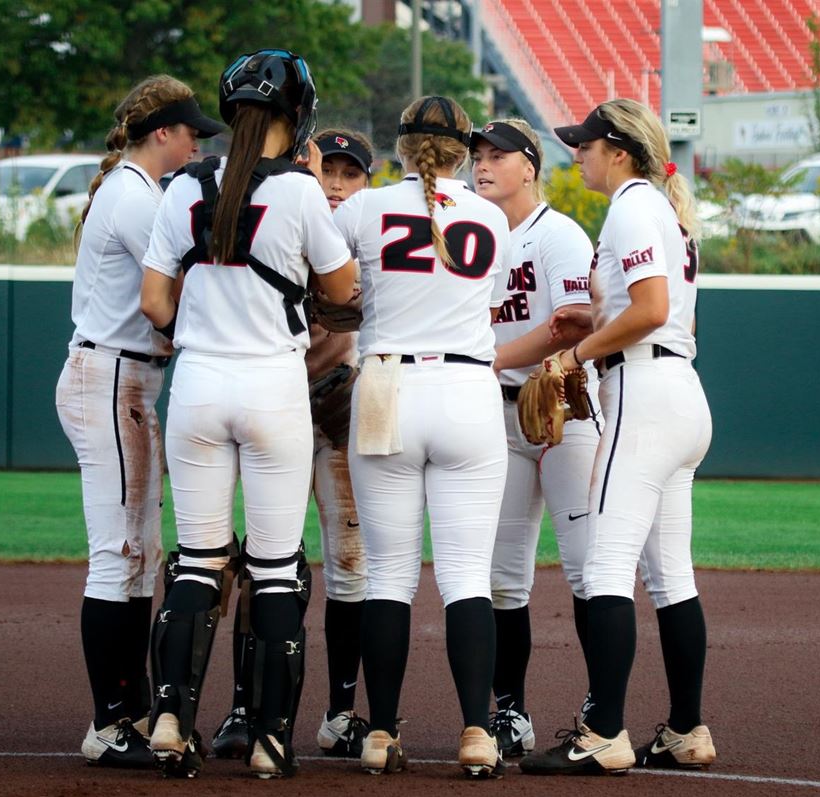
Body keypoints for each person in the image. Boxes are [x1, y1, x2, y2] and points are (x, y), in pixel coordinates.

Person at [139, 49, 357, 779]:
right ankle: (268, 739)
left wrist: (198, 327)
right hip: (272, 384)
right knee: (274, 569)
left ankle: (169, 718)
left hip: (197, 381)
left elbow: (153, 301)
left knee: (196, 562)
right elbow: (343, 285)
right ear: (298, 117)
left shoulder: (181, 186)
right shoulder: (300, 191)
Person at [519, 99, 716, 776]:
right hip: (679, 391)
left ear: (621, 152)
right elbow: (650, 308)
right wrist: (590, 319)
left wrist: (574, 355)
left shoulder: (633, 204)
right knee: (670, 577)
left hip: (643, 393)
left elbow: (651, 308)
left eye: (588, 144)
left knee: (605, 568)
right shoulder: (660, 209)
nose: (579, 152)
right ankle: (687, 728)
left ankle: (603, 731)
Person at [332, 95, 512, 778]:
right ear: (465, 151)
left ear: (402, 147)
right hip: (467, 389)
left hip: (388, 387)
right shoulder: (491, 215)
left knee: (389, 576)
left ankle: (379, 732)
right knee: (467, 576)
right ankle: (475, 732)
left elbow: (327, 281)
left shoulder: (364, 208)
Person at [55, 74, 222, 769]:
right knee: (119, 555)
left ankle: (133, 711)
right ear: (163, 133)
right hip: (112, 376)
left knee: (136, 555)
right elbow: (182, 278)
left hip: (125, 378)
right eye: (191, 133)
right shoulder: (132, 194)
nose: (195, 143)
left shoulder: (140, 190)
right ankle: (110, 720)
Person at [209, 127, 376, 761]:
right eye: (326, 169)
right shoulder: (278, 212)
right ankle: (242, 710)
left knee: (351, 564)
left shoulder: (368, 235)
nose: (336, 183)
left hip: (336, 407)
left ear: (367, 179)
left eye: (350, 173)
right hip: (268, 404)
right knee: (260, 560)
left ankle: (340, 711)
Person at [470, 118, 598, 760]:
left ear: (530, 166)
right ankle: (510, 712)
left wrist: (483, 360)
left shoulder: (559, 234)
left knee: (586, 567)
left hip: (560, 415)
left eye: (499, 155)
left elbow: (573, 322)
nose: (483, 165)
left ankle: (602, 712)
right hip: (497, 417)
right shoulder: (473, 232)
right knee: (501, 577)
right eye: (477, 156)